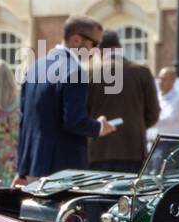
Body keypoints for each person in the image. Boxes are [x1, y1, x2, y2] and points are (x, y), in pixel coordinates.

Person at [14, 14, 115, 184]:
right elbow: (74, 122)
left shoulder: (35, 67)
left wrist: (22, 170)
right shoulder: (74, 71)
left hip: (33, 168)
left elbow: (25, 122)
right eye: (94, 44)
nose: (96, 50)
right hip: (63, 172)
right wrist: (99, 127)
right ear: (76, 40)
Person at [86, 29, 159, 172]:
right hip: (132, 149)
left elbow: (82, 113)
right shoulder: (142, 72)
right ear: (120, 48)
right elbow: (153, 114)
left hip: (98, 151)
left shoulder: (88, 73)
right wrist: (134, 125)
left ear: (99, 51)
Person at [152, 66, 179, 140]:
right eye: (159, 78)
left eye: (163, 79)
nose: (159, 81)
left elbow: (167, 120)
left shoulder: (178, 100)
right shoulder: (157, 97)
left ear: (172, 81)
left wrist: (147, 122)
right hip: (154, 142)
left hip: (170, 143)